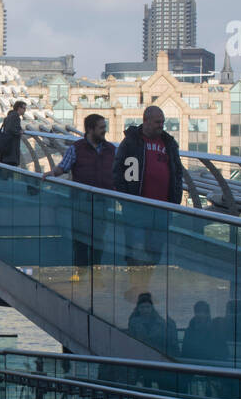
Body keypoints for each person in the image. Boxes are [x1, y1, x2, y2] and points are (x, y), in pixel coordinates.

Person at [112, 105, 184, 267]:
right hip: (137, 209)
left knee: (155, 252)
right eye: (158, 122)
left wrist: (175, 202)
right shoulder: (131, 142)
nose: (161, 125)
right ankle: (135, 287)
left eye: (163, 122)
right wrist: (127, 201)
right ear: (146, 121)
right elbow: (117, 171)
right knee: (135, 250)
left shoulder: (169, 144)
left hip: (162, 210)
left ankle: (146, 286)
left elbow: (177, 172)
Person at [52, 113, 116, 274]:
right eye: (101, 128)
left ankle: (96, 273)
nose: (104, 131)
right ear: (90, 129)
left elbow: (119, 174)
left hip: (103, 203)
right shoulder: (76, 148)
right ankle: (81, 274)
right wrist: (51, 174)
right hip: (81, 203)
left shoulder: (111, 150)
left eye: (104, 127)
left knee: (98, 241)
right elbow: (63, 167)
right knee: (80, 241)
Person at [0, 101, 26, 167]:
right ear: (19, 108)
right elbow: (11, 129)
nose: (25, 111)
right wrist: (19, 132)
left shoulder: (9, 116)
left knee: (5, 168)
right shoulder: (16, 117)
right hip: (11, 149)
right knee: (10, 169)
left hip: (5, 148)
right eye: (24, 108)